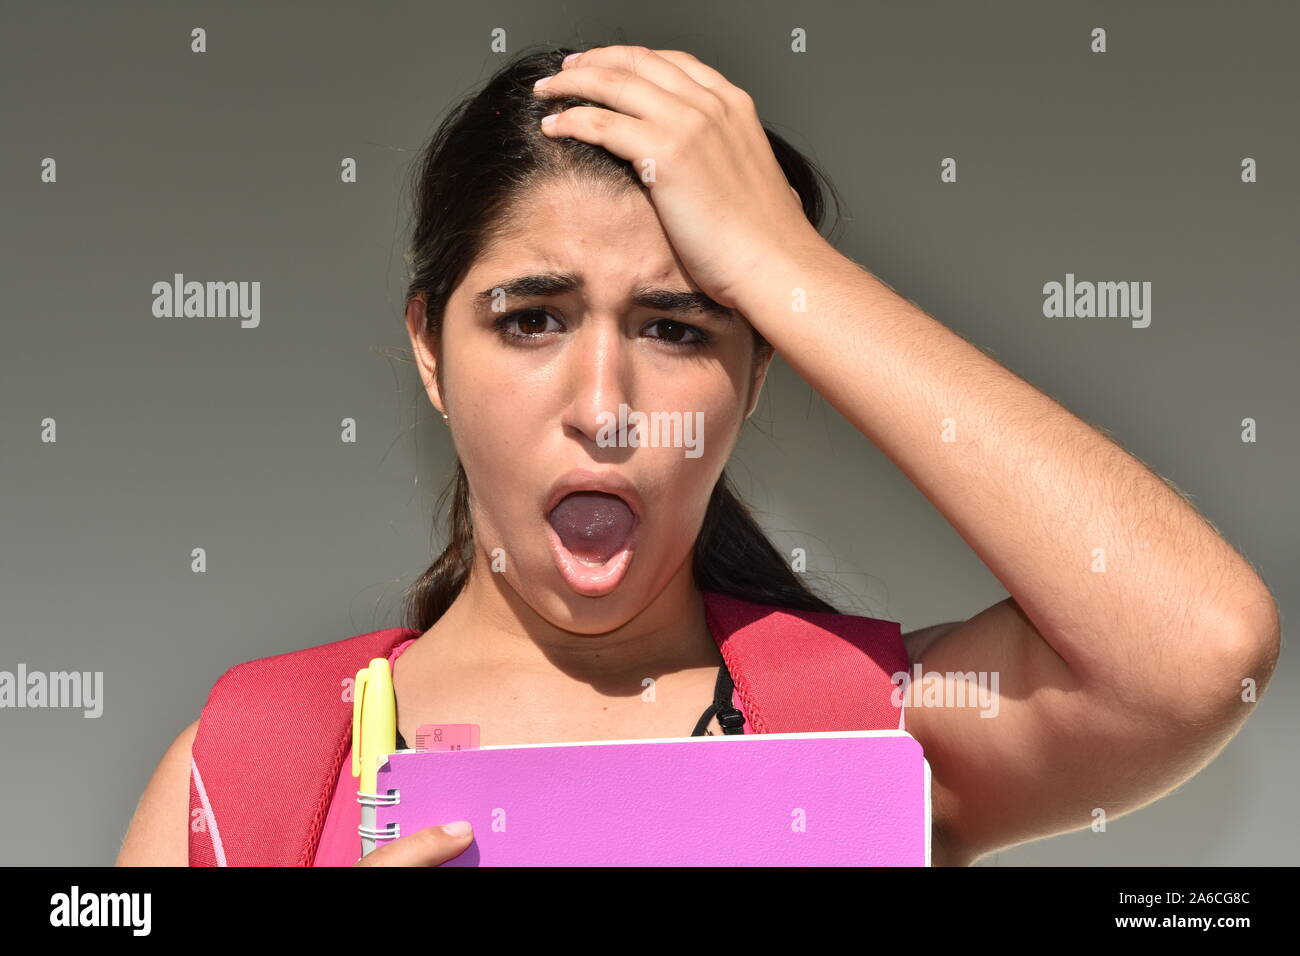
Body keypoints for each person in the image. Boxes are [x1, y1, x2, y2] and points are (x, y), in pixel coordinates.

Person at [116, 43, 1280, 867]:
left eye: (678, 327)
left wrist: (785, 266)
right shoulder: (249, 768)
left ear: (757, 368)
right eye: (532, 318)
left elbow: (1196, 650)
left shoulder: (866, 734)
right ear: (430, 350)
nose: (607, 405)